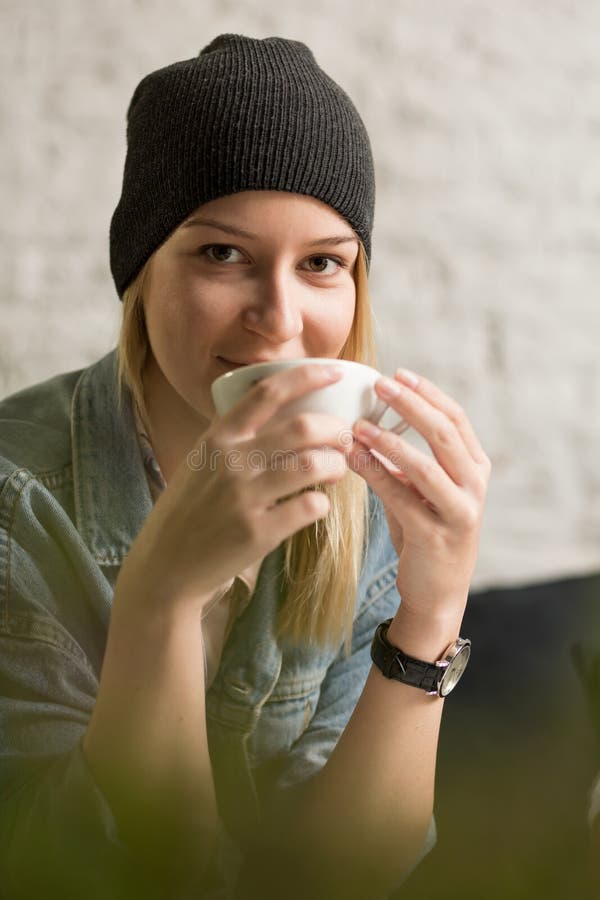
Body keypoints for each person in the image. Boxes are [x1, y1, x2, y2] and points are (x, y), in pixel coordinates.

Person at [0, 33, 491, 900]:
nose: (280, 319)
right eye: (222, 253)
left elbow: (345, 879)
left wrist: (430, 617)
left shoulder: (356, 504)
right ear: (142, 270)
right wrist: (161, 595)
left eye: (322, 264)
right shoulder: (17, 506)